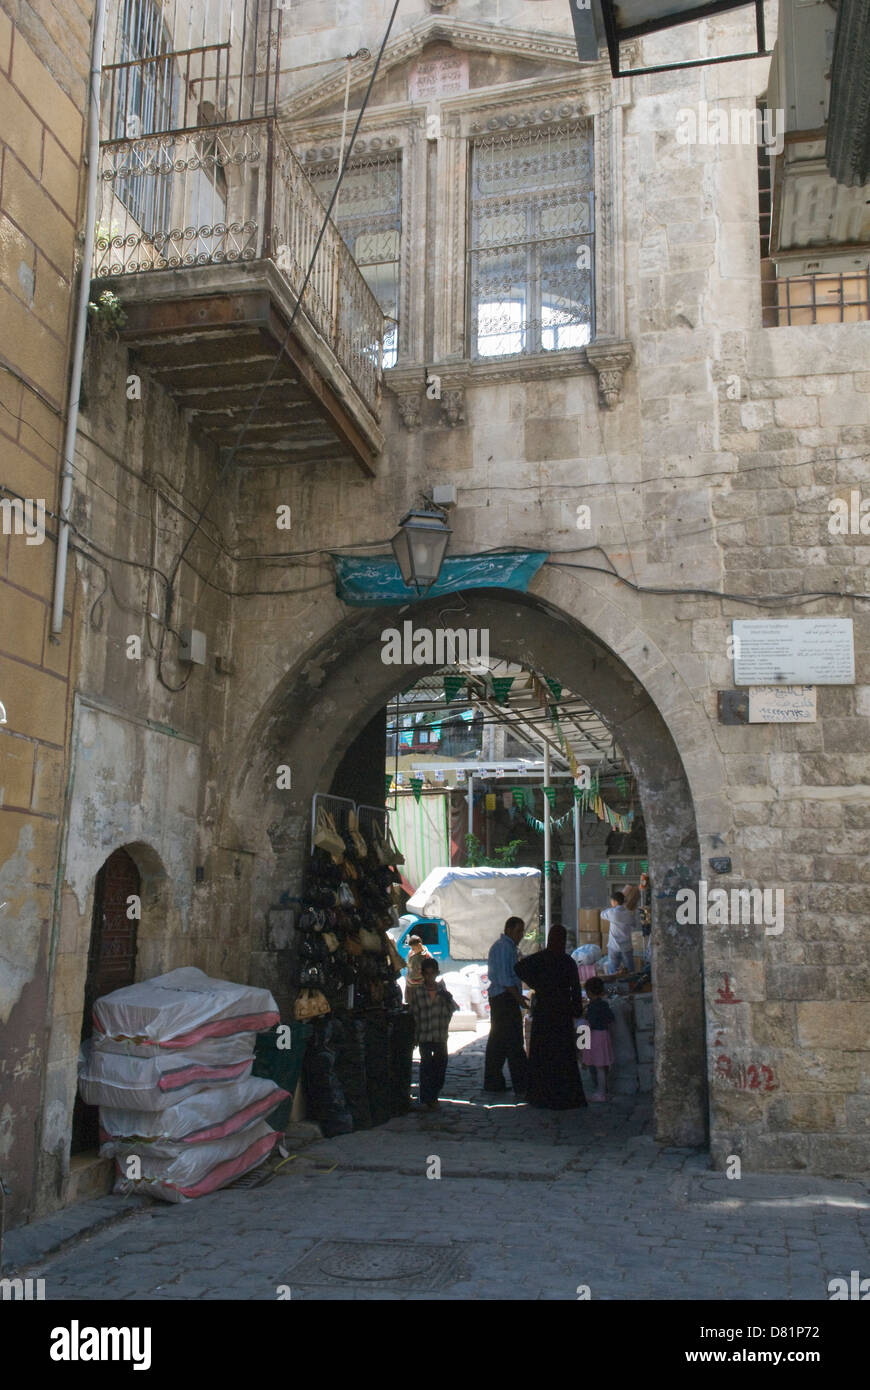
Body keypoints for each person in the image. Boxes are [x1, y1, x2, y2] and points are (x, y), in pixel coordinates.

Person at [515, 924, 586, 1110]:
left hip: (544, 1009)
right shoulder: (567, 962)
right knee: (563, 1053)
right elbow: (575, 989)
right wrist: (576, 1010)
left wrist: (537, 985)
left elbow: (519, 968)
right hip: (561, 1011)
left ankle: (541, 1095)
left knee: (542, 1052)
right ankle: (565, 1096)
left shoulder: (540, 959)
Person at [483, 916, 529, 1096]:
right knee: (514, 1041)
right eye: (519, 931)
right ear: (509, 930)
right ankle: (521, 1084)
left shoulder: (508, 947)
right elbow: (505, 978)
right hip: (504, 998)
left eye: (522, 931)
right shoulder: (503, 948)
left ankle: (493, 1081)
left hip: (503, 998)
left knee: (498, 1042)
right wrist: (519, 999)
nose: (521, 935)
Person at [408, 956, 458, 1110]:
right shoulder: (418, 993)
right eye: (427, 974)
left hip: (440, 1037)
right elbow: (415, 1014)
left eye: (432, 974)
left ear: (436, 973)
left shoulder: (443, 993)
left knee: (439, 1068)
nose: (430, 977)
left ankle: (433, 1095)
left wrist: (448, 1000)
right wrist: (415, 1036)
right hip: (424, 1036)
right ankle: (426, 1098)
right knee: (426, 1068)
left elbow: (452, 1010)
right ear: (423, 974)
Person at [581, 976, 615, 1102]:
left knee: (598, 1067)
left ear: (589, 992)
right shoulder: (604, 1005)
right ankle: (605, 1090)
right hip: (604, 1035)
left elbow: (588, 1025)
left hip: (595, 1037)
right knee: (604, 1067)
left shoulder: (592, 1007)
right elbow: (611, 1019)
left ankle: (600, 1093)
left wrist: (581, 1045)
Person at [600, 890, 637, 973]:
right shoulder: (629, 914)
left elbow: (602, 914)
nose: (611, 903)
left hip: (614, 946)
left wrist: (610, 909)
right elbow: (634, 924)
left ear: (615, 901)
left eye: (612, 901)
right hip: (627, 946)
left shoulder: (611, 912)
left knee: (613, 971)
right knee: (630, 971)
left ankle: (614, 985)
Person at [404, 934, 431, 1001]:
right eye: (411, 948)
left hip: (420, 987)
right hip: (409, 986)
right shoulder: (411, 953)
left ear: (419, 945)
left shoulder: (427, 956)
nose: (412, 950)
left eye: (413, 948)